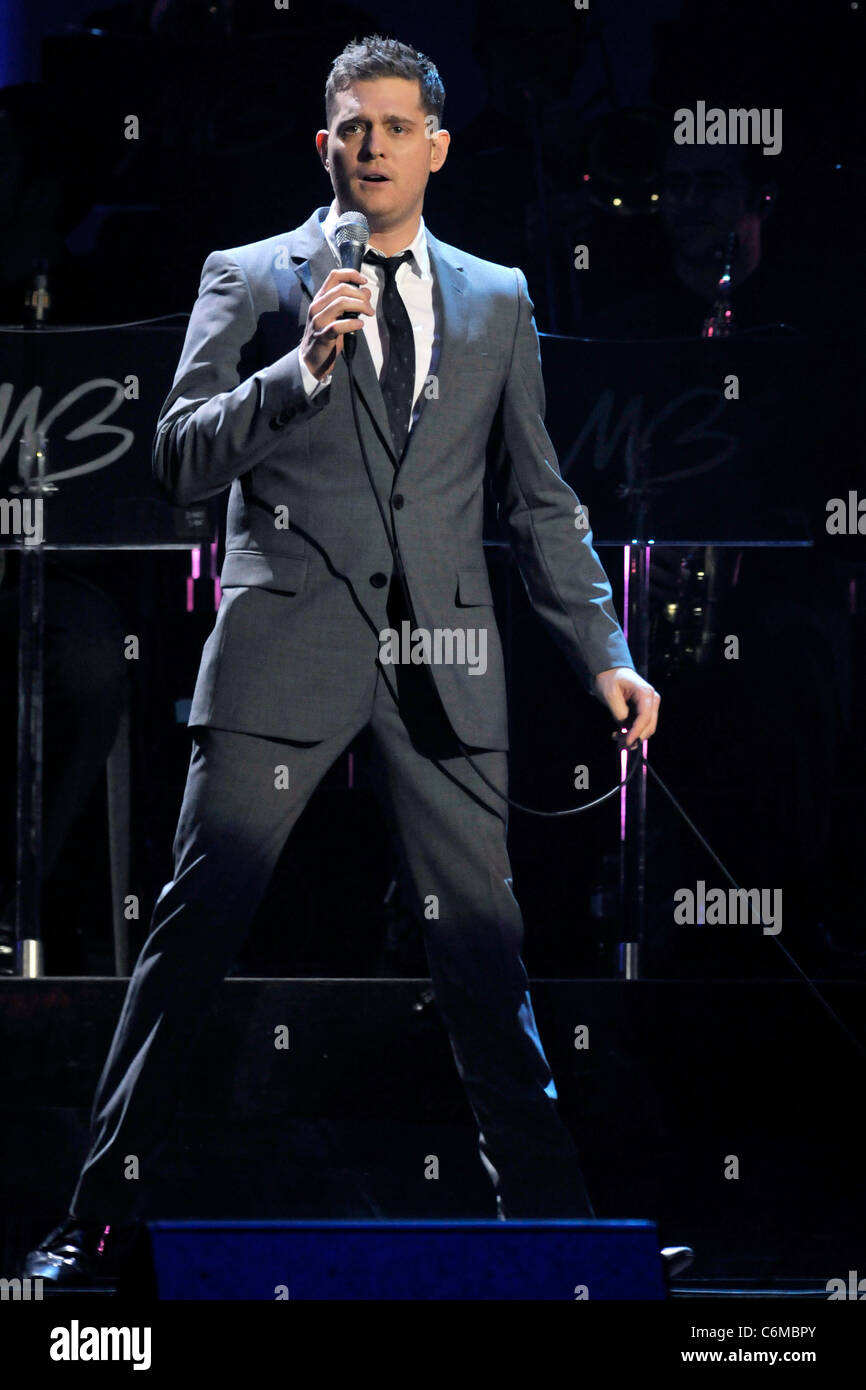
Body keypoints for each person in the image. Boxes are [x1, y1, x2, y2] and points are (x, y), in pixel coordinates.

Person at [23, 35, 662, 1289]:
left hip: (444, 659)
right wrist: (296, 366)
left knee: (484, 950)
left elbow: (539, 499)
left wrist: (603, 649)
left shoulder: (495, 296)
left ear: (434, 144)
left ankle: (551, 1227)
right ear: (324, 145)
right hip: (283, 647)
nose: (370, 145)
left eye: (394, 124)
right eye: (348, 126)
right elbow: (176, 456)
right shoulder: (253, 277)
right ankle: (91, 1221)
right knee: (194, 937)